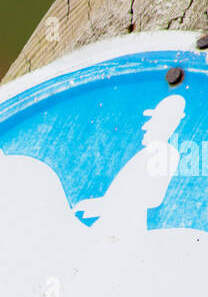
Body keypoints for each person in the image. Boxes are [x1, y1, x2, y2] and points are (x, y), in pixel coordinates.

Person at [74, 94, 186, 242]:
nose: (145, 126)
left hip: (124, 230)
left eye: (154, 121)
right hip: (109, 224)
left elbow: (153, 198)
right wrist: (99, 204)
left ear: (170, 124)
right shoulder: (146, 154)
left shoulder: (165, 153)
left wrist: (103, 204)